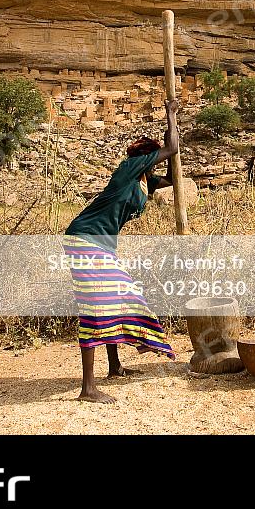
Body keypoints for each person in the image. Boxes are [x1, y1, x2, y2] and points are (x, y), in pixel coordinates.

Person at [62, 99, 181, 403]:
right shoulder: (129, 169)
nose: (154, 162)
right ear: (144, 158)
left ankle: (114, 366)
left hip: (101, 245)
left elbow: (170, 175)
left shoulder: (144, 181)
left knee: (114, 299)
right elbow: (171, 149)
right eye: (151, 158)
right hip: (85, 239)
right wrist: (170, 114)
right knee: (97, 307)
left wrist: (166, 157)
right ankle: (88, 388)